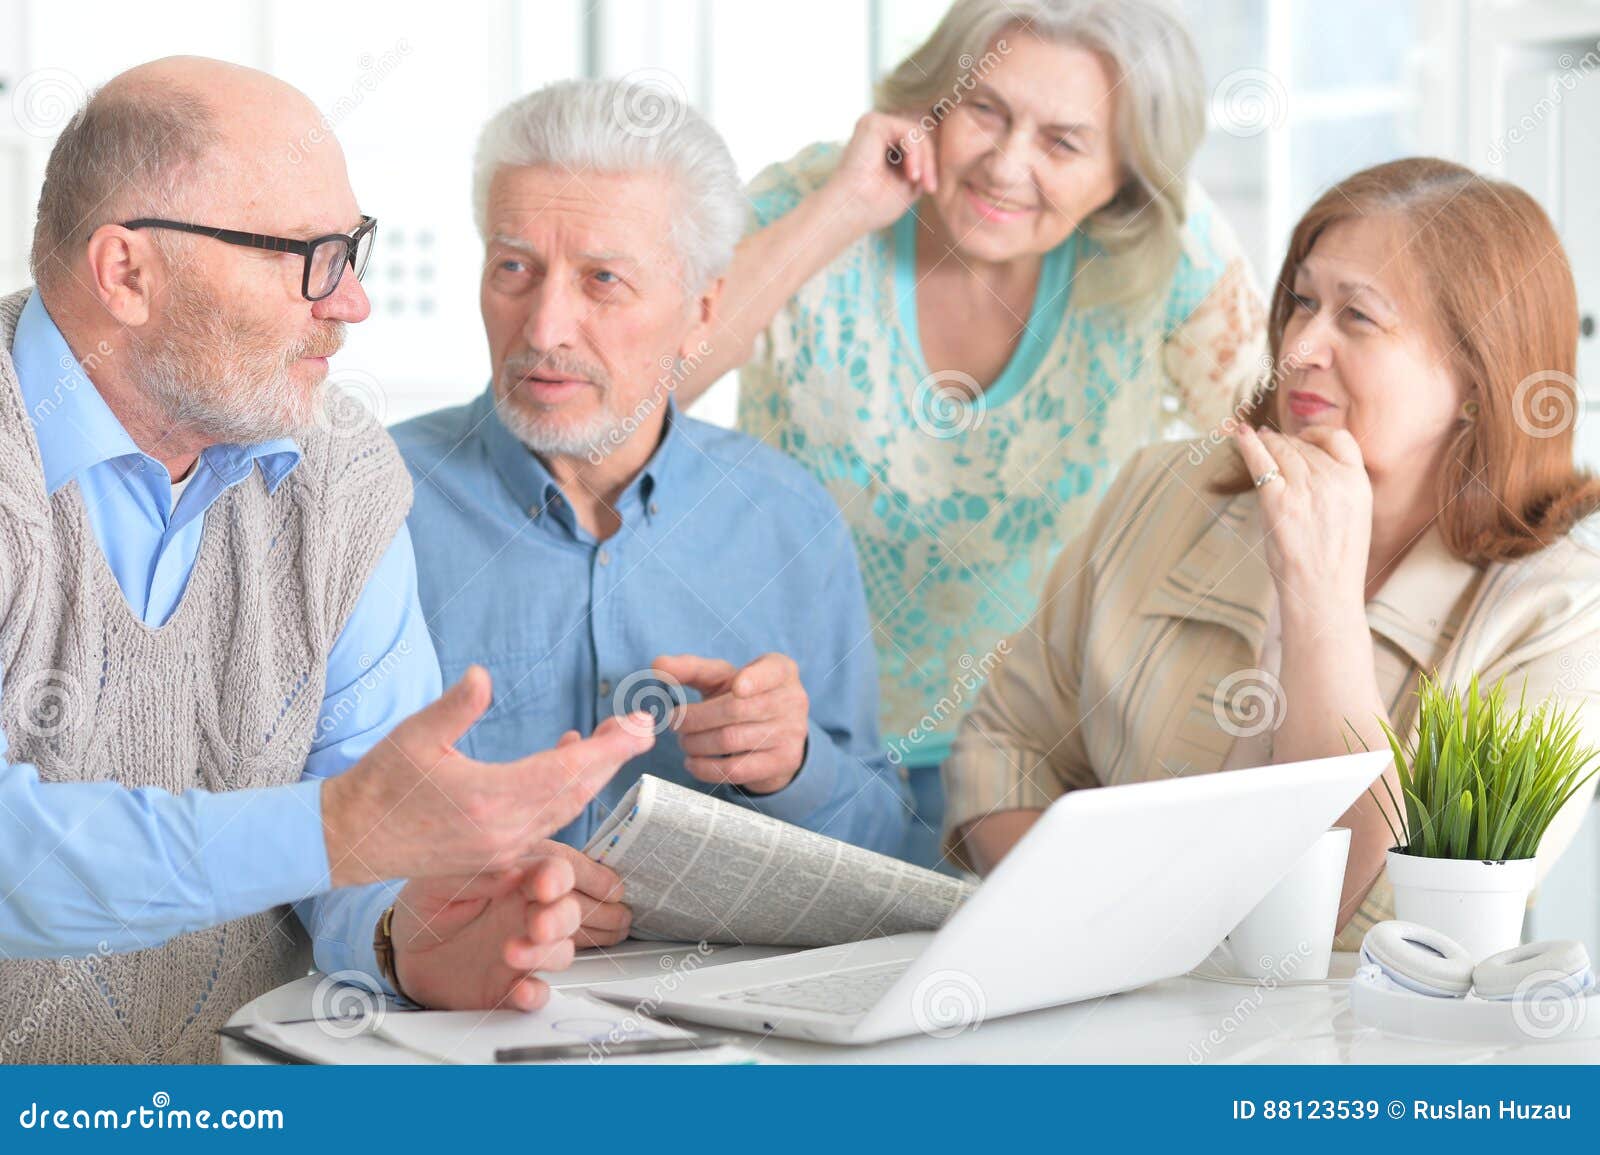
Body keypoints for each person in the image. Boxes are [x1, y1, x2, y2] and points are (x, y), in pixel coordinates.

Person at [0, 58, 653, 1064]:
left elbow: (371, 830)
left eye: (351, 250)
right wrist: (331, 832)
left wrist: (416, 934)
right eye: (305, 255)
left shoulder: (336, 473)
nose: (350, 304)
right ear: (125, 271)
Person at [667, 0, 1268, 865]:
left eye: (1063, 143)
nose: (1006, 164)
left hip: (1032, 765)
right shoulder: (817, 198)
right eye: (983, 111)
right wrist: (842, 209)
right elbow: (648, 386)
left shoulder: (1171, 251)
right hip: (796, 749)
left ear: (1125, 180)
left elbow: (1274, 461)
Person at [942, 157, 1600, 948]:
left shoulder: (1564, 618)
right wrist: (1093, 940)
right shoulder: (1163, 490)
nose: (1301, 346)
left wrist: (1320, 605)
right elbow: (1003, 747)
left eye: (1358, 317)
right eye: (1302, 302)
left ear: (1476, 377)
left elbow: (1385, 920)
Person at [392, 79, 911, 926]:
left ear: (702, 310)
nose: (545, 326)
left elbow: (884, 851)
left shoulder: (789, 519)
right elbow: (300, 830)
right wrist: (424, 920)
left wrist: (792, 765)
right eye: (515, 268)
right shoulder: (374, 508)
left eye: (603, 280)